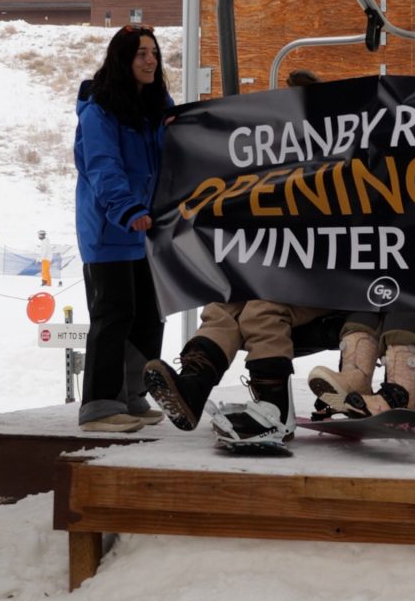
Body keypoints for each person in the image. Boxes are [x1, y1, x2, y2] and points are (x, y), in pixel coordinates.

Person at [74, 24, 170, 431]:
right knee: (114, 314)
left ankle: (130, 396)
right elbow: (103, 166)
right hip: (109, 229)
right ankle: (99, 405)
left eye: (154, 53)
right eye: (141, 54)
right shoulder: (99, 111)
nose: (151, 61)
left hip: (144, 229)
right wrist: (127, 208)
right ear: (122, 60)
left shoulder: (154, 109)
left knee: (149, 315)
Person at [144, 299, 329, 444]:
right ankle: (194, 385)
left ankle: (276, 407)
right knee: (221, 306)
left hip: (322, 285)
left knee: (261, 311)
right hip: (276, 280)